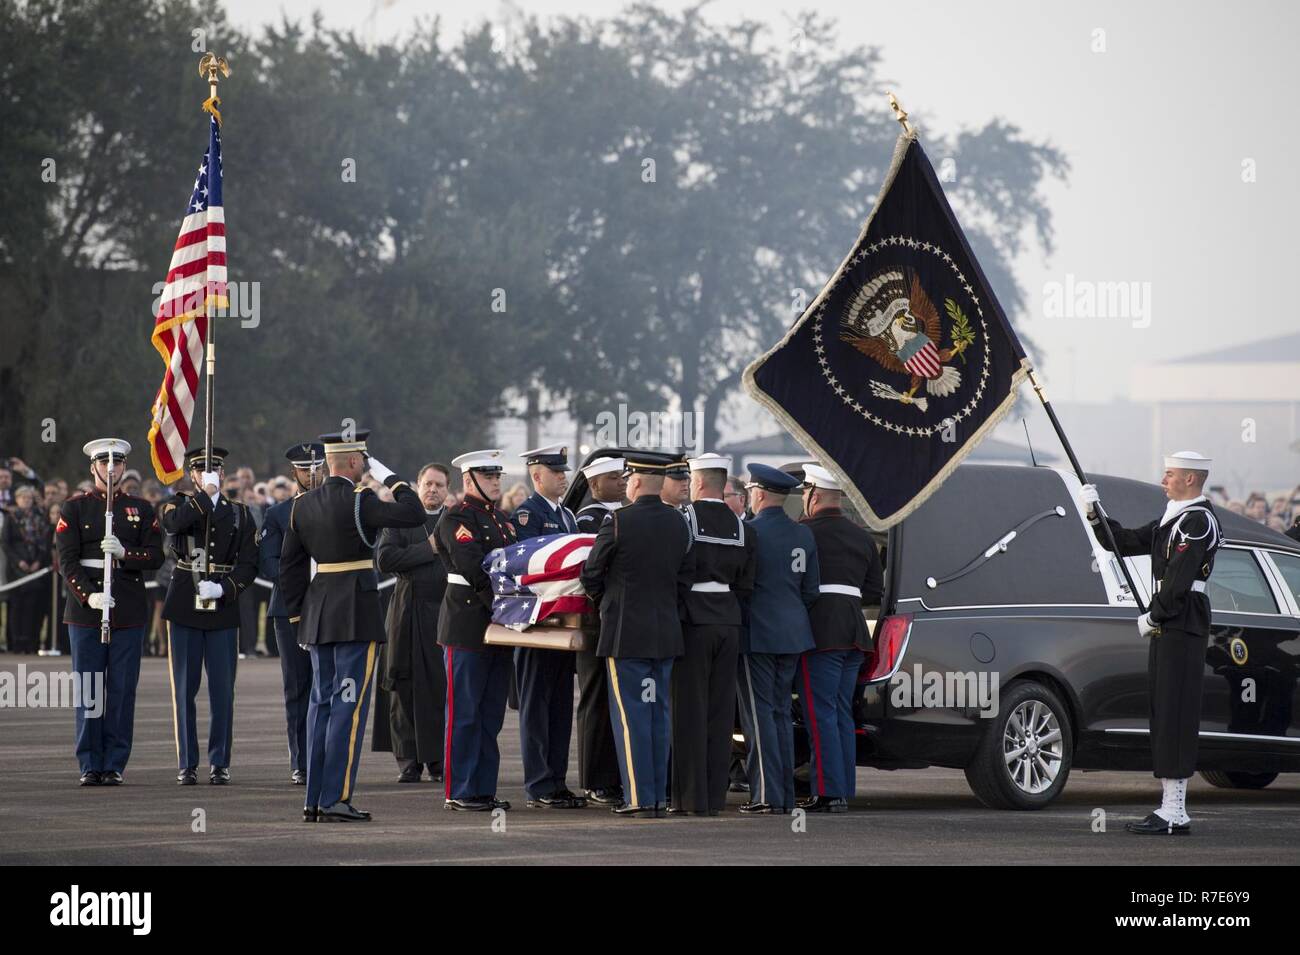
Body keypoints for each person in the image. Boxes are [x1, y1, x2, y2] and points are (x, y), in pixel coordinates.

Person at [279, 429, 424, 823]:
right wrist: (391, 477)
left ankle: (314, 799)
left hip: (318, 614)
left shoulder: (301, 506)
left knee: (320, 705)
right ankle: (335, 798)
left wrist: (297, 617)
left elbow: (289, 569)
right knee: (349, 707)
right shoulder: (361, 502)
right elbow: (414, 512)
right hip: (355, 614)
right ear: (357, 461)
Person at [1080, 450, 1222, 835]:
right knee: (1163, 711)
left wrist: (1155, 615)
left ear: (1191, 479)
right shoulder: (1172, 518)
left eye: (1170, 474)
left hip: (1181, 617)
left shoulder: (1197, 522)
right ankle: (1168, 807)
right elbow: (1122, 543)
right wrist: (1096, 515)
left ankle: (1175, 811)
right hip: (1170, 618)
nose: (1163, 480)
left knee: (1176, 712)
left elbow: (1178, 579)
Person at [580, 453, 694, 817]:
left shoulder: (618, 521)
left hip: (626, 632)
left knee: (631, 718)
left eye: (628, 478)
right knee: (658, 716)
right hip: (665, 633)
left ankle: (639, 798)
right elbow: (684, 579)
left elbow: (591, 574)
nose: (625, 483)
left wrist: (606, 602)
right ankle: (657, 796)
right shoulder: (679, 524)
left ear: (638, 482)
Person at [55, 438, 163, 785]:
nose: (112, 468)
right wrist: (89, 596)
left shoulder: (141, 509)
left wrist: (125, 554)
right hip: (87, 612)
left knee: (121, 689)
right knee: (89, 686)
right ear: (94, 467)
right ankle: (89, 762)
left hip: (127, 608)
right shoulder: (74, 509)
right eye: (105, 463)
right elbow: (67, 562)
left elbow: (156, 556)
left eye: (117, 463)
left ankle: (114, 762)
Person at [159, 446, 259, 786]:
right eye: (201, 471)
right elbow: (173, 525)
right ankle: (187, 763)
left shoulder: (241, 514)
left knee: (222, 691)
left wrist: (226, 588)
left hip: (221, 603)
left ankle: (220, 762)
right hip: (186, 600)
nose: (208, 474)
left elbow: (249, 563)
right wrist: (205, 498)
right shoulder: (178, 503)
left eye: (214, 469)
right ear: (192, 475)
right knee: (184, 689)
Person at [670, 452, 756, 816]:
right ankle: (714, 797)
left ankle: (690, 799)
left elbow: (677, 574)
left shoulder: (684, 521)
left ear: (699, 482)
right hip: (729, 621)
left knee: (689, 710)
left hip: (695, 621)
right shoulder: (742, 527)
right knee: (721, 713)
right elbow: (747, 584)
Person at [435, 449, 519, 811]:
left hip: (496, 624)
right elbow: (472, 567)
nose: (496, 482)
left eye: (498, 476)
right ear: (469, 481)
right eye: (488, 477)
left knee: (490, 715)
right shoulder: (457, 518)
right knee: (465, 713)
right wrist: (505, 606)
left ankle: (483, 786)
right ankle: (460, 789)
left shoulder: (501, 520)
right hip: (467, 623)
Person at [797, 463, 883, 813]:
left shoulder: (804, 533)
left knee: (820, 713)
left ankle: (827, 791)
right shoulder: (863, 536)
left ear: (813, 495)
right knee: (842, 714)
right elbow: (874, 590)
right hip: (855, 634)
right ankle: (843, 789)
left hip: (821, 632)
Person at [735, 463, 819, 814]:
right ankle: (783, 794)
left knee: (759, 715)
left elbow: (740, 585)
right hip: (794, 633)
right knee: (782, 712)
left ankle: (766, 795)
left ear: (759, 494)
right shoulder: (804, 535)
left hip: (759, 634)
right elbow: (811, 591)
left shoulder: (749, 532)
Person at [509, 444, 585, 809]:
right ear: (536, 476)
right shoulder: (527, 515)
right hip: (537, 624)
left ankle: (557, 780)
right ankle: (539, 784)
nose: (563, 476)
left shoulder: (568, 514)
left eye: (563, 471)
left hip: (560, 625)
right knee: (536, 706)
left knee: (558, 706)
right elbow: (531, 570)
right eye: (556, 472)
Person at [376, 461, 451, 784]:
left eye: (439, 485)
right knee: (403, 684)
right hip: (406, 610)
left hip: (443, 613)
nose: (432, 489)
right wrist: (428, 548)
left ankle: (435, 759)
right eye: (427, 484)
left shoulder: (453, 521)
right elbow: (386, 559)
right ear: (418, 486)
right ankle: (408, 761)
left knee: (437, 687)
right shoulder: (401, 520)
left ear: (448, 490)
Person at [258, 442, 325, 786]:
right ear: (294, 473)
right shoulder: (279, 514)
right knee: (298, 687)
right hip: (291, 609)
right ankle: (301, 759)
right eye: (305, 470)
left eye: (317, 469)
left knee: (328, 686)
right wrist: (300, 583)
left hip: (330, 607)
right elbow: (269, 563)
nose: (312, 475)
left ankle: (325, 756)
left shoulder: (335, 507)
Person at [572, 455, 626, 806]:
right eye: (613, 478)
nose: (622, 481)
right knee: (595, 699)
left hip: (619, 620)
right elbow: (587, 570)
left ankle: (617, 775)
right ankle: (594, 778)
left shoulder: (624, 514)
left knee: (617, 701)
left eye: (623, 476)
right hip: (595, 618)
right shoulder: (588, 518)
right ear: (594, 485)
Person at [2, 485, 51, 653]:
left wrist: (38, 561)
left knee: (32, 606)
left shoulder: (39, 518)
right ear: (17, 500)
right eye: (23, 498)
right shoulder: (11, 518)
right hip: (16, 569)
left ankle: (30, 643)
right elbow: (6, 543)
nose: (26, 501)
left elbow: (43, 542)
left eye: (29, 498)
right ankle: (16, 643)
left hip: (35, 568)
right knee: (16, 606)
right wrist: (19, 562)